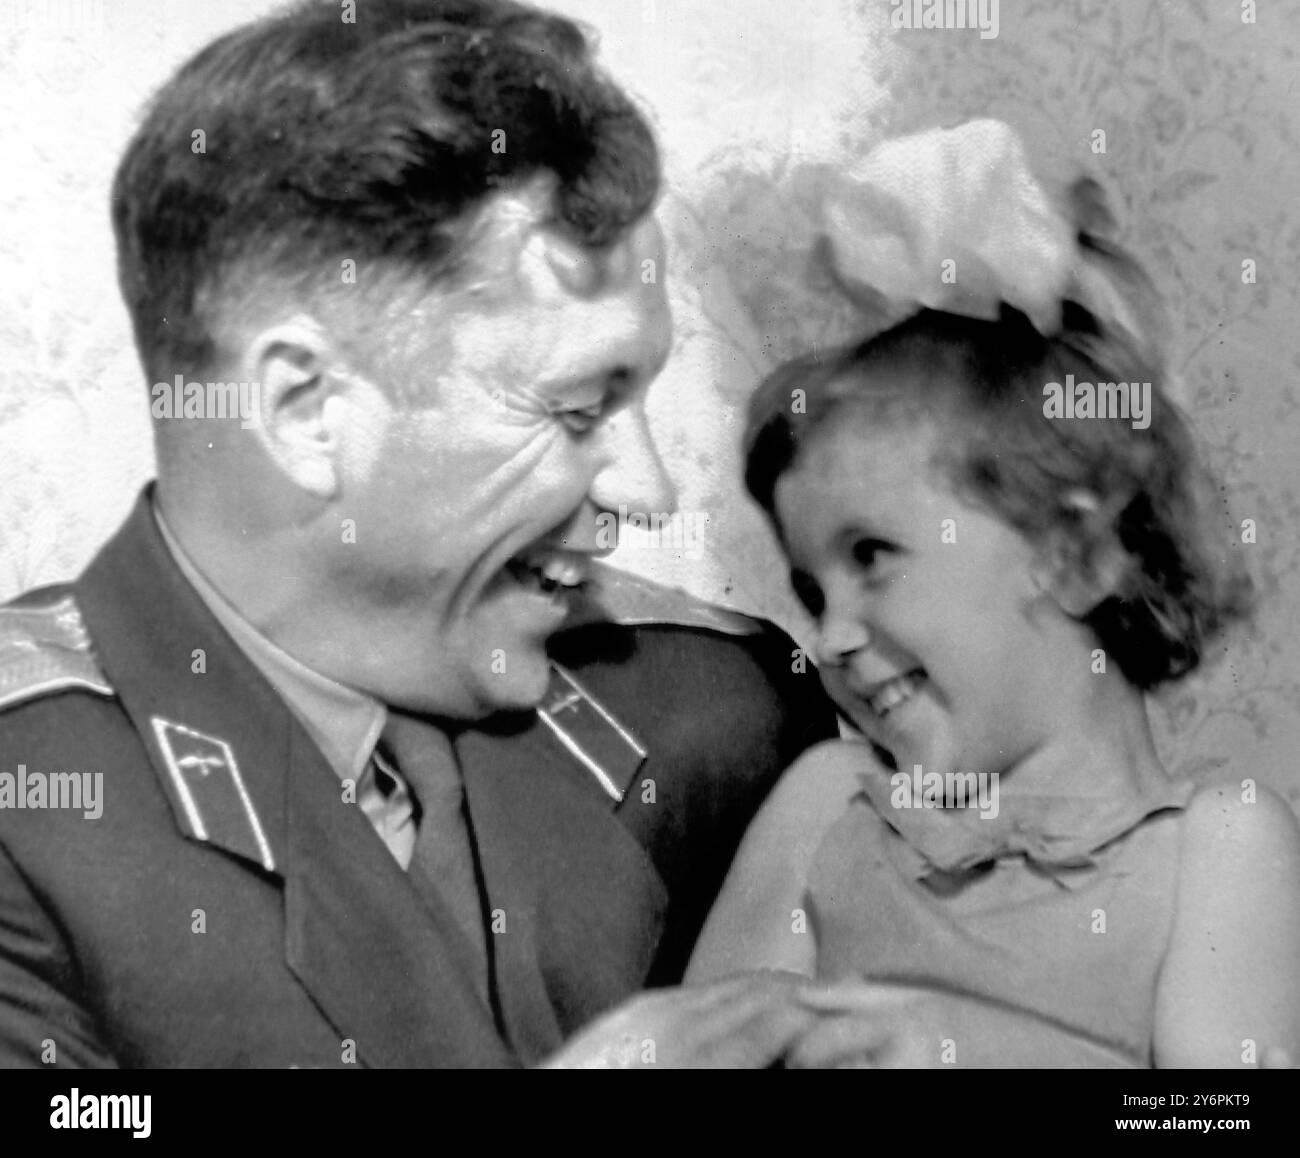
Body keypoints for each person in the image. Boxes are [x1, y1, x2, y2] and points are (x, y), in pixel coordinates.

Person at [0, 0, 839, 1068]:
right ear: (305, 412)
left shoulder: (719, 705)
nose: (652, 490)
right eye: (578, 409)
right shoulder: (28, 803)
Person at [686, 120, 1300, 1067]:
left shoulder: (1214, 851)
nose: (835, 634)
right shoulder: (831, 804)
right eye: (812, 590)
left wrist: (955, 1041)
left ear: (1074, 553)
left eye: (874, 556)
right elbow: (701, 1048)